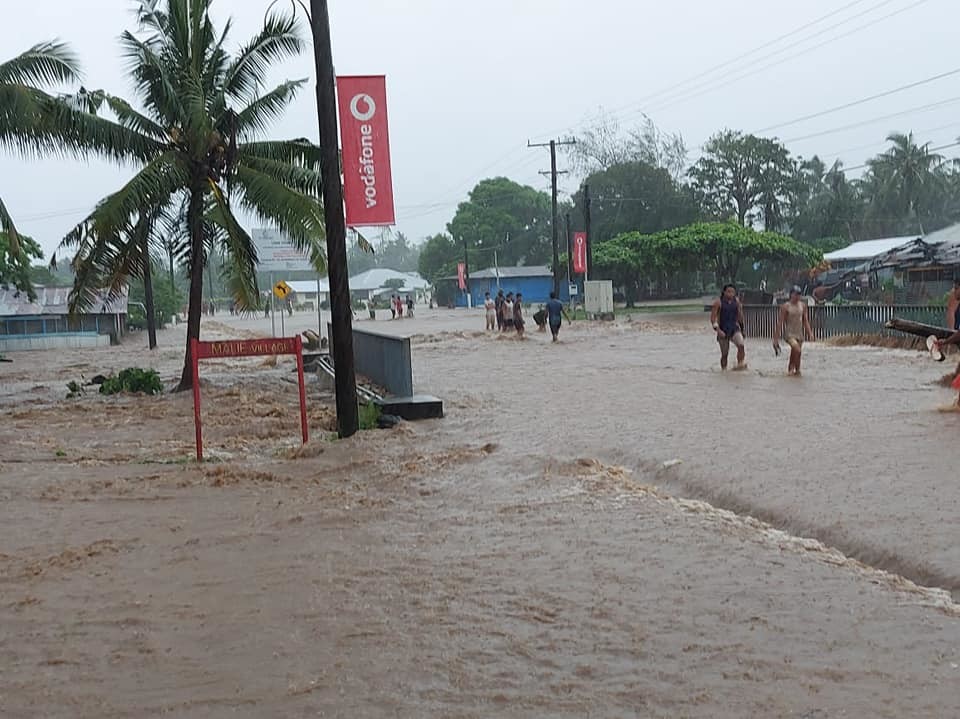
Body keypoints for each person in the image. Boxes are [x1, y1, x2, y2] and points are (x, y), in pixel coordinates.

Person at [773, 286, 815, 376]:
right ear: (791, 294)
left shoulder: (803, 305)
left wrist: (810, 333)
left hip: (799, 333)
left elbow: (805, 320)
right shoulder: (785, 306)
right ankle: (793, 370)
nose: (797, 296)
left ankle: (795, 371)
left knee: (796, 353)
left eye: (799, 294)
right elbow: (780, 323)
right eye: (796, 294)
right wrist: (775, 339)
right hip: (789, 334)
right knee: (797, 350)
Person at [710, 284, 746, 370]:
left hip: (734, 328)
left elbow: (740, 317)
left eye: (733, 292)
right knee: (725, 354)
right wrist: (718, 331)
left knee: (741, 345)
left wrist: (742, 329)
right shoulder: (718, 303)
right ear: (724, 292)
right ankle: (724, 370)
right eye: (729, 291)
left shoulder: (736, 302)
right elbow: (713, 319)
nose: (731, 294)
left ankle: (740, 365)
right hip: (723, 329)